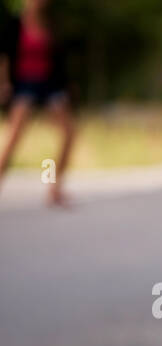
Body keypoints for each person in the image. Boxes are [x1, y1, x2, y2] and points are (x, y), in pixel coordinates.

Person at [0, 0, 74, 206]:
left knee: (68, 133)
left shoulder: (50, 23)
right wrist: (4, 83)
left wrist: (66, 88)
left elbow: (58, 57)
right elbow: (4, 54)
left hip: (50, 84)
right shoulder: (15, 24)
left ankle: (54, 186)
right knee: (14, 136)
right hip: (24, 83)